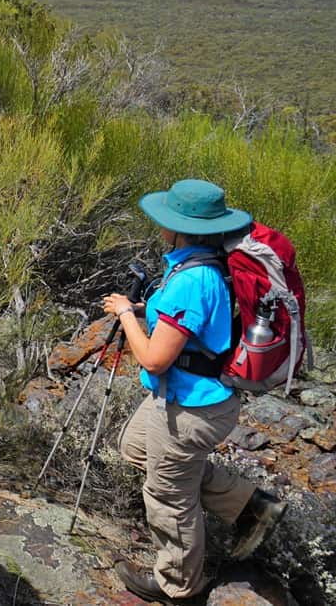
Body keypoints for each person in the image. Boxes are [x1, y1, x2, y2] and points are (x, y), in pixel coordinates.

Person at [101, 179, 287, 605]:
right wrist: (151, 311)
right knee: (135, 448)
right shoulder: (203, 260)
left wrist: (128, 314)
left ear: (180, 227)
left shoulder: (193, 278)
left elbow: (153, 360)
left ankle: (179, 588)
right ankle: (251, 505)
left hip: (191, 406)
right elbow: (189, 324)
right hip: (184, 396)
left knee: (167, 492)